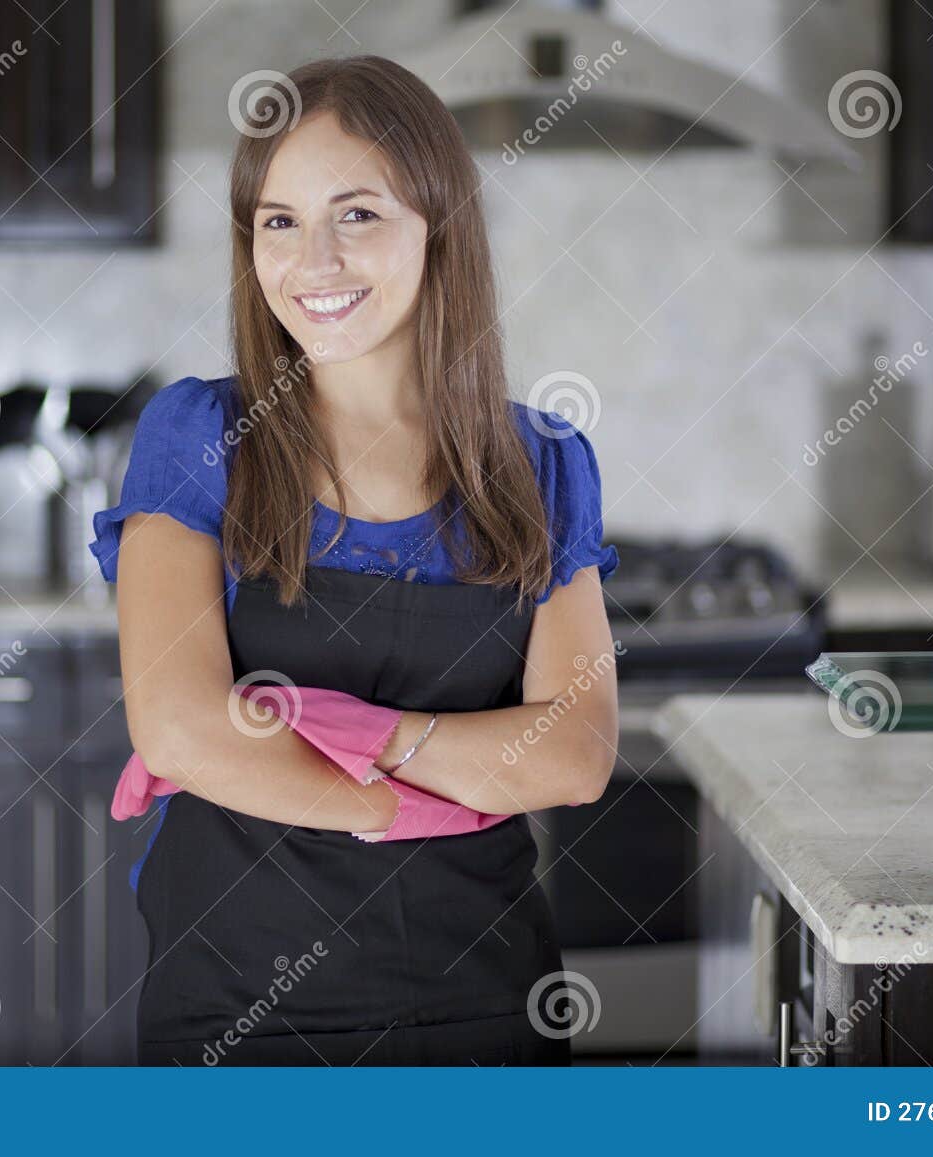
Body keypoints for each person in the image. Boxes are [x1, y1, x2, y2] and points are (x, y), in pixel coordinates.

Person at [89, 55, 620, 1066]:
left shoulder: (541, 463)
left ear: (439, 225)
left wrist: (350, 727)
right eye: (277, 221)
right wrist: (410, 795)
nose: (312, 260)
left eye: (357, 214)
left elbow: (573, 752)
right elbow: (181, 727)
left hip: (482, 998)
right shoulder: (201, 435)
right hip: (238, 1009)